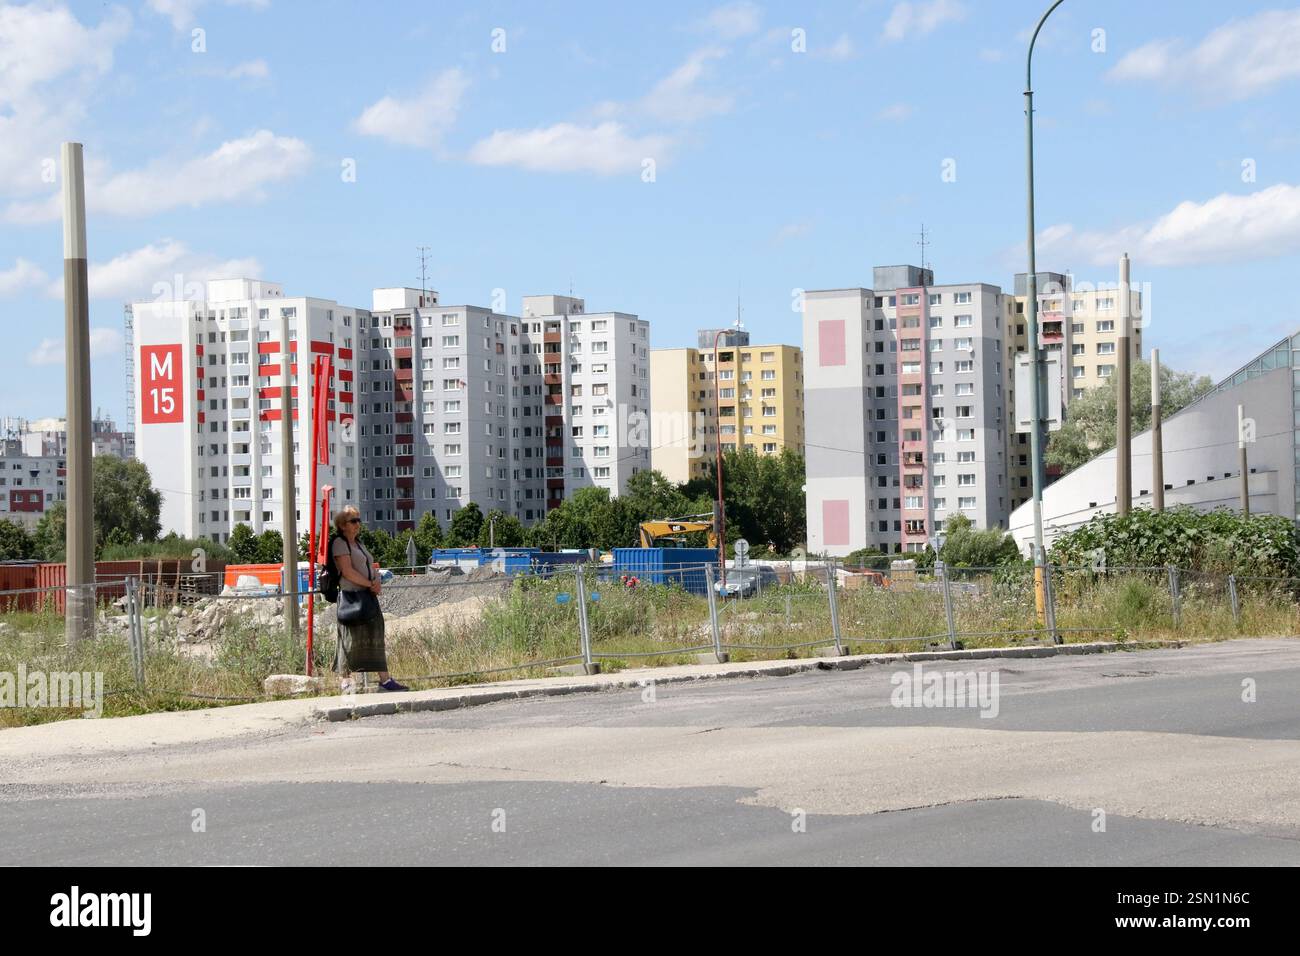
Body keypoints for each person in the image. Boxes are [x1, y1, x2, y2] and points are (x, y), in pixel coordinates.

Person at [331, 506, 407, 693]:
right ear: (342, 525)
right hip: (351, 597)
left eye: (358, 520)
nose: (358, 524)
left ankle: (385, 680)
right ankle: (347, 683)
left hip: (367, 595)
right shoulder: (340, 544)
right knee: (350, 639)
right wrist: (369, 583)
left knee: (375, 636)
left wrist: (376, 580)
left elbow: (368, 565)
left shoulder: (358, 543)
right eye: (353, 521)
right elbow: (347, 571)